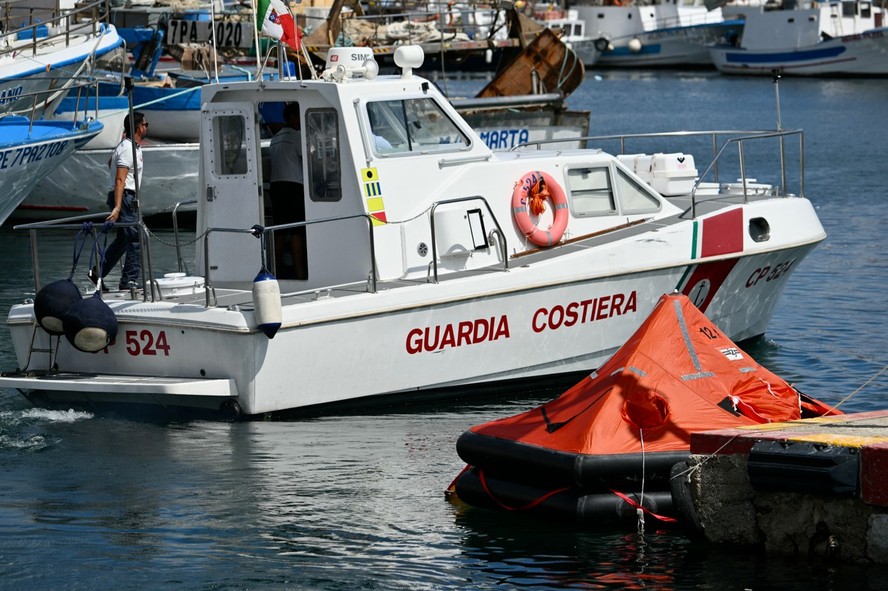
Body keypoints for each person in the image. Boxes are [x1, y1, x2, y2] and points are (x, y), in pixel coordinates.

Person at [90, 111, 147, 291]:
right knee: (137, 238)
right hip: (125, 197)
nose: (146, 127)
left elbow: (110, 163)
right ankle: (129, 281)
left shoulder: (127, 147)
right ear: (139, 127)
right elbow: (120, 179)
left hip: (127, 196)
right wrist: (117, 206)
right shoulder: (128, 149)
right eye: (145, 124)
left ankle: (97, 273)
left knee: (123, 240)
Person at [268, 102, 307, 279]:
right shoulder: (296, 136)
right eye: (300, 116)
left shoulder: (275, 138)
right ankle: (300, 274)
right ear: (292, 117)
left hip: (276, 188)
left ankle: (276, 272)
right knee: (297, 232)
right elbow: (307, 160)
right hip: (293, 187)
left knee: (280, 232)